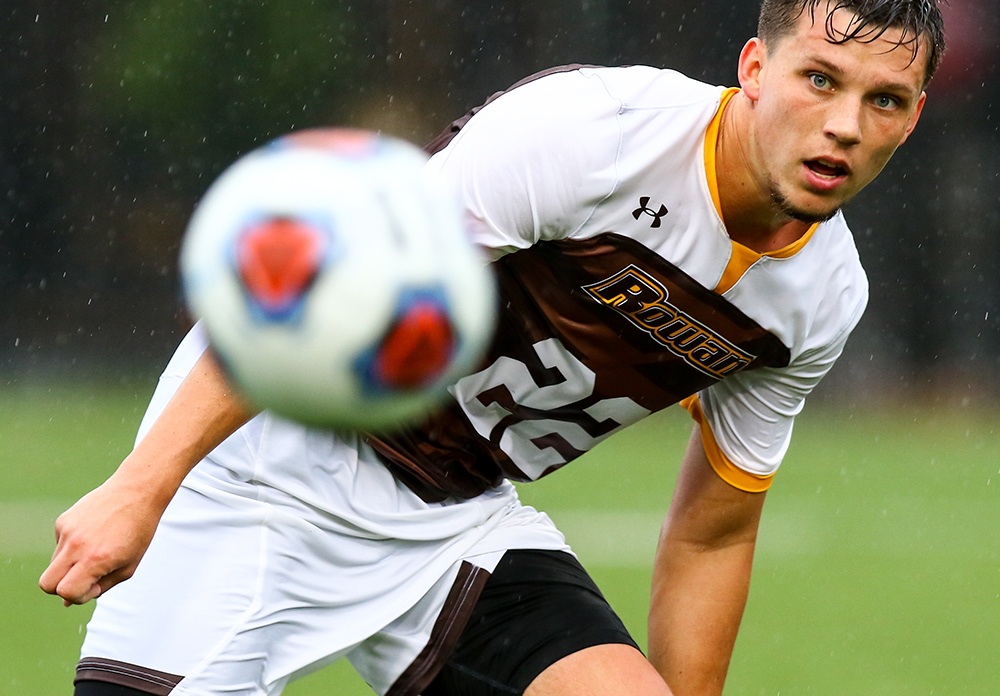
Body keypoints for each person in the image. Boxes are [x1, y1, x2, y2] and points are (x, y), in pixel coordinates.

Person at [40, 1, 945, 695]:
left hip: (453, 520)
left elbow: (713, 533)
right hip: (266, 459)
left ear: (912, 119)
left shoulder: (823, 300)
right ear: (754, 66)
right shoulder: (595, 132)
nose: (845, 125)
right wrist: (142, 484)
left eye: (884, 101)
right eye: (818, 79)